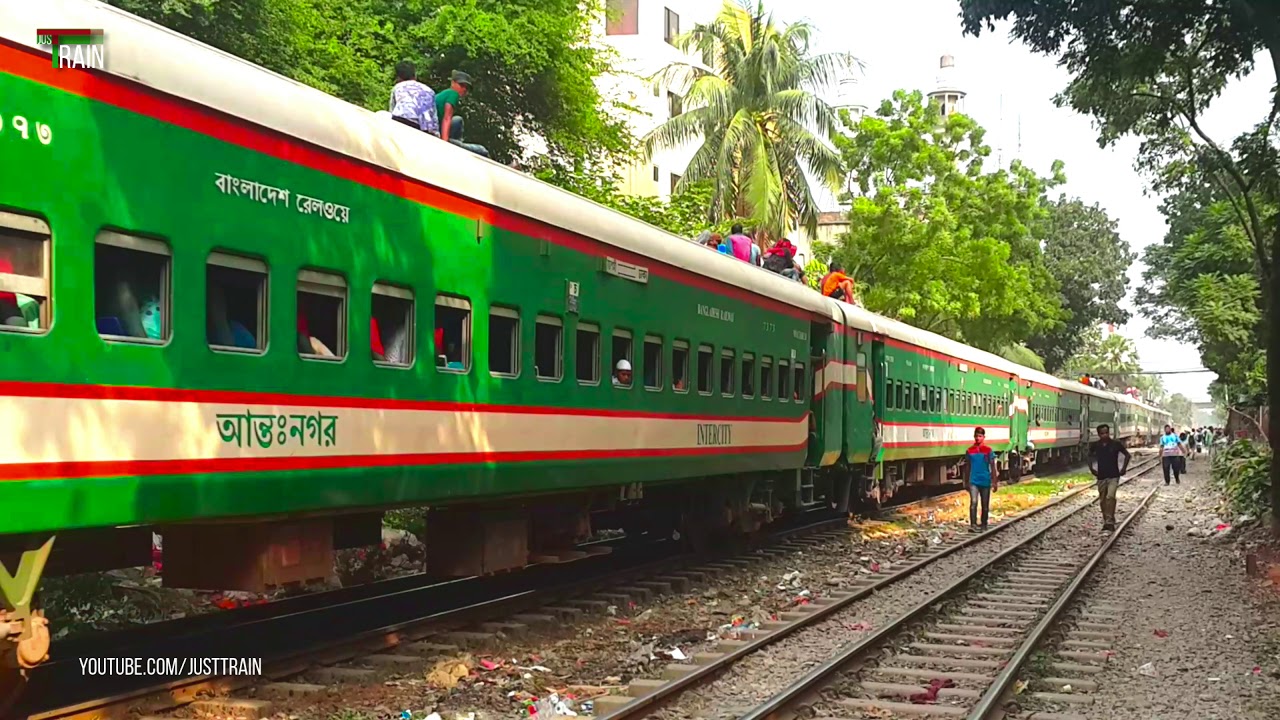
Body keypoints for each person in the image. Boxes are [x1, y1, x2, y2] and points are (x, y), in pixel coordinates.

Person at [436, 71, 490, 158]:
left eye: (466, 87)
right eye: (461, 85)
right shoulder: (453, 94)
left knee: (458, 120)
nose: (464, 89)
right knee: (482, 150)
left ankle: (458, 142)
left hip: (437, 128)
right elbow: (447, 118)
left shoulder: (444, 94)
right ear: (453, 83)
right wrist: (444, 143)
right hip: (438, 135)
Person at [1089, 424, 1130, 531]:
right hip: (1101, 476)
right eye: (1102, 433)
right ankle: (1106, 519)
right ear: (1098, 434)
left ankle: (1109, 521)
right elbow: (1089, 456)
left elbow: (1127, 455)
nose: (1105, 435)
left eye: (1106, 432)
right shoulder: (1096, 445)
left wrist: (1123, 468)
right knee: (1102, 500)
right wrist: (1092, 469)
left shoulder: (1115, 444)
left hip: (1113, 476)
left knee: (1110, 497)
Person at [389, 61, 439, 134]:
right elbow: (434, 119)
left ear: (398, 77)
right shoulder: (430, 91)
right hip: (425, 128)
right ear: (415, 75)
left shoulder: (398, 87)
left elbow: (392, 111)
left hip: (402, 122)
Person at [965, 427, 996, 532]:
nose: (978, 438)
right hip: (973, 481)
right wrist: (965, 481)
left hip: (985, 481)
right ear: (974, 437)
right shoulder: (969, 451)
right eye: (976, 436)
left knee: (985, 504)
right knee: (973, 502)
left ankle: (984, 524)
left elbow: (992, 466)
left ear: (983, 437)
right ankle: (973, 524)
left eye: (980, 436)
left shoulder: (988, 451)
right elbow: (967, 467)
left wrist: (994, 482)